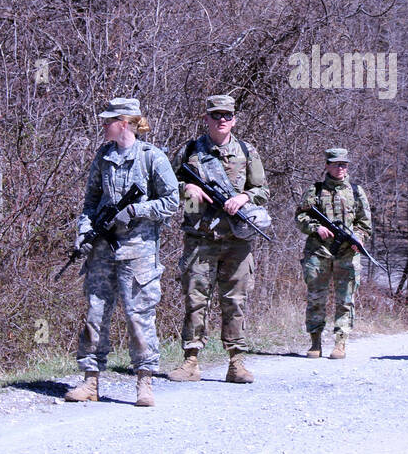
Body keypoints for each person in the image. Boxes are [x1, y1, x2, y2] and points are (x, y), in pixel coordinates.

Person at [65, 98, 179, 406]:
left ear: (124, 123)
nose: (103, 126)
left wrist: (135, 211)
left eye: (109, 121)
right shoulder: (103, 157)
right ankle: (91, 380)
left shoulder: (152, 158)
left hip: (138, 251)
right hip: (102, 249)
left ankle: (144, 381)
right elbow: (90, 202)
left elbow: (171, 201)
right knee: (95, 313)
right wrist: (83, 232)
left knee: (138, 316)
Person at [168, 95, 270, 384]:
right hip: (200, 237)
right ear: (206, 119)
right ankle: (191, 361)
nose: (221, 120)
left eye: (227, 115)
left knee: (235, 300)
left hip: (237, 240)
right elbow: (164, 185)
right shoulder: (190, 150)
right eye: (215, 115)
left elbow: (263, 190)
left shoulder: (247, 152)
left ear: (234, 119)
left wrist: (244, 197)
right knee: (195, 298)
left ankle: (236, 362)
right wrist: (185, 187)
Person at [295, 148, 372, 360]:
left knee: (345, 300)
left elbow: (365, 224)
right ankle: (315, 342)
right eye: (336, 164)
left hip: (347, 254)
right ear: (327, 165)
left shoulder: (356, 192)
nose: (340, 168)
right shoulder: (315, 191)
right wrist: (315, 227)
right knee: (316, 298)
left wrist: (358, 238)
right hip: (318, 252)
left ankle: (340, 343)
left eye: (344, 164)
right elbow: (300, 217)